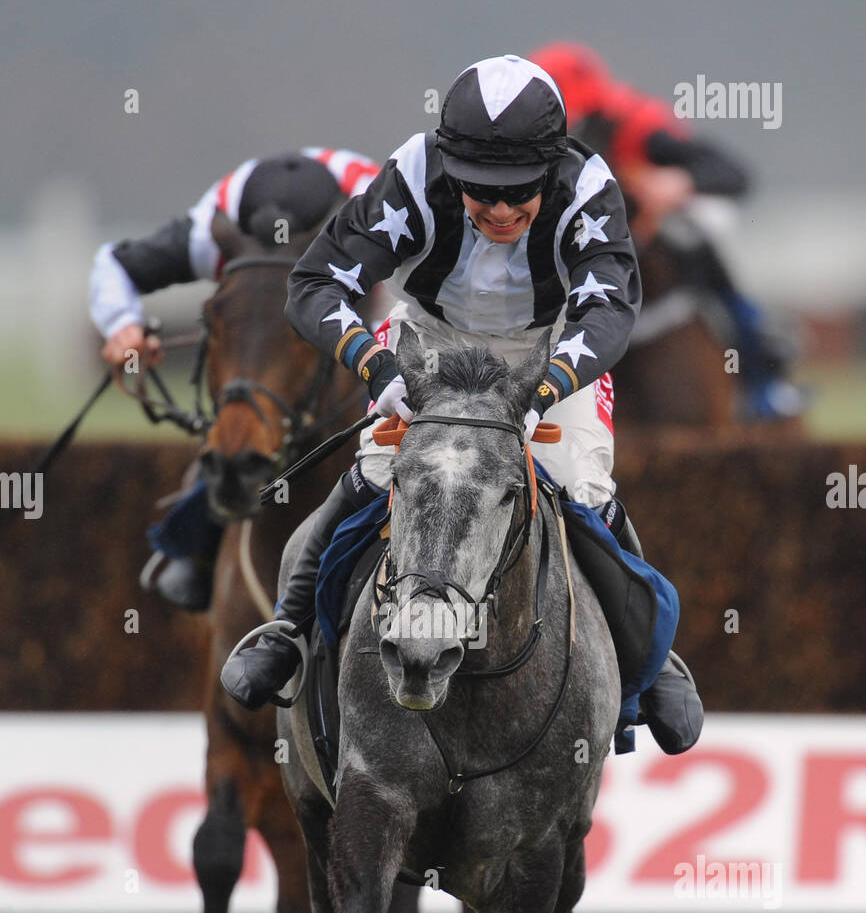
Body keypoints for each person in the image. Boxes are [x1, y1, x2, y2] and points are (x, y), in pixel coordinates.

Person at [220, 54, 703, 755]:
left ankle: (650, 660)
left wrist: (544, 390)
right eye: (481, 191)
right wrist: (374, 363)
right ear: (452, 165)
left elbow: (608, 312)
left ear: (551, 166)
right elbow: (314, 282)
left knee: (582, 482)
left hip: (548, 346)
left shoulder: (587, 184)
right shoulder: (414, 173)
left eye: (518, 193)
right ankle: (290, 629)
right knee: (378, 472)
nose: (502, 210)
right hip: (429, 340)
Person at [87, 147, 380, 608]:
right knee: (239, 418)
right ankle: (199, 542)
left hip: (364, 299)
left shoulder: (382, 214)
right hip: (266, 291)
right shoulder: (209, 232)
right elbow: (114, 264)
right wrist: (123, 326)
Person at [528, 42, 802, 420]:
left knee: (698, 232)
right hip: (576, 237)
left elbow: (733, 175)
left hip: (650, 230)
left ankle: (758, 363)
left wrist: (678, 180)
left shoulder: (635, 123)